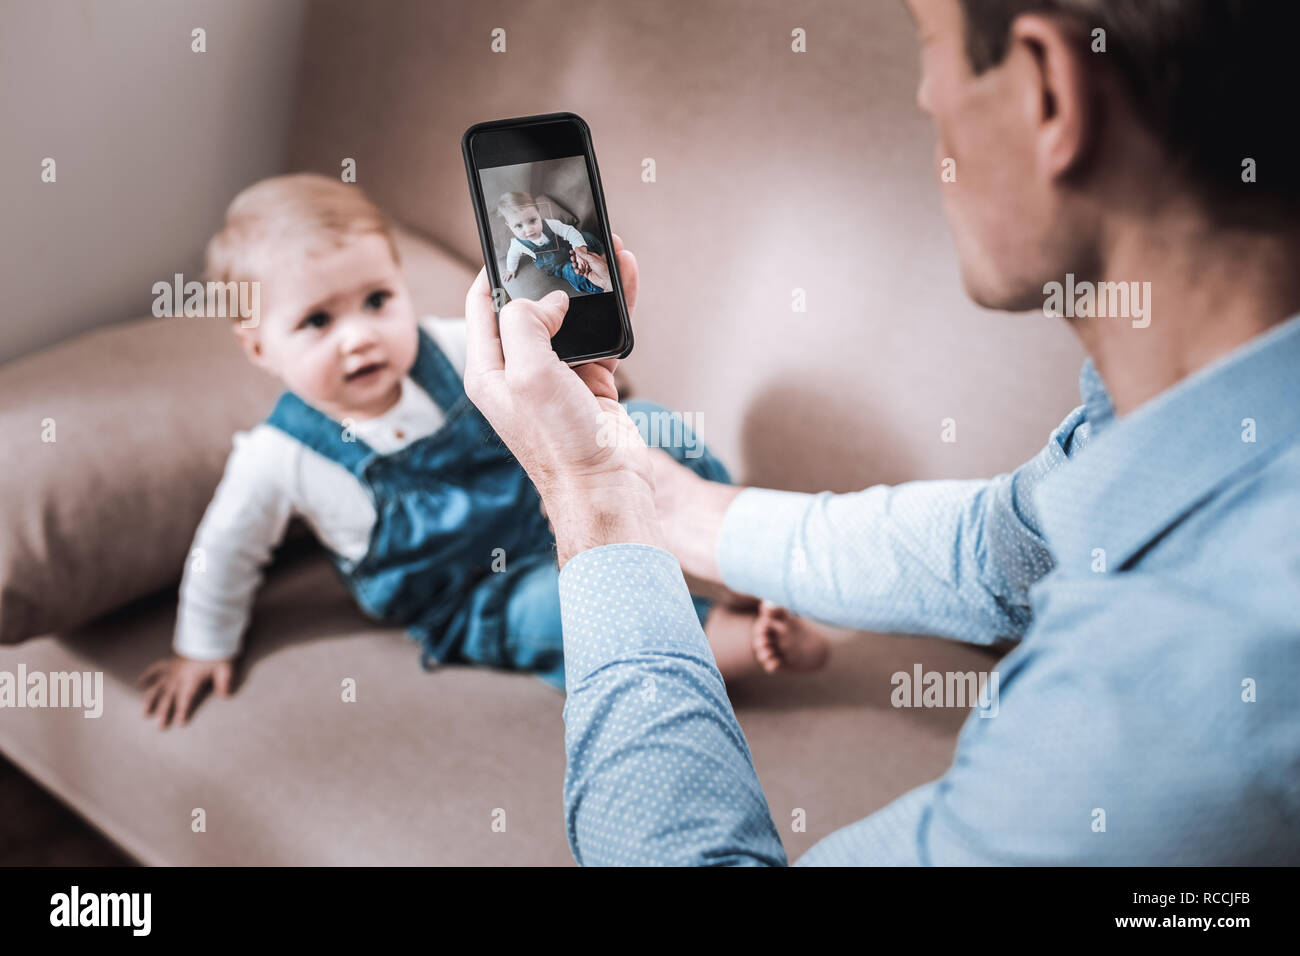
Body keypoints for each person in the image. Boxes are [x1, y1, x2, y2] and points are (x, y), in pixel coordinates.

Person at [462, 0, 1300, 864]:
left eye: (928, 48)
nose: (926, 99)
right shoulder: (1200, 416)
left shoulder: (1186, 685)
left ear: (1048, 90)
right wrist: (660, 501)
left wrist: (591, 502)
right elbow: (1001, 548)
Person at [138, 174, 822, 730]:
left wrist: (573, 304)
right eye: (317, 321)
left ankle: (747, 569)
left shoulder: (455, 346)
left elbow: (541, 365)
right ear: (258, 346)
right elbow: (224, 549)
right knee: (563, 614)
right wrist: (201, 646)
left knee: (647, 424)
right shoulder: (275, 458)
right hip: (476, 591)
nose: (359, 337)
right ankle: (757, 644)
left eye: (376, 301)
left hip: (549, 497)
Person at [499, 191, 609, 294]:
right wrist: (510, 269)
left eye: (532, 221)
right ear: (509, 226)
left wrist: (579, 250)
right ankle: (601, 288)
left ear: (538, 213)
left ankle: (603, 254)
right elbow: (512, 257)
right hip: (559, 265)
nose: (528, 230)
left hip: (569, 248)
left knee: (586, 236)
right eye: (519, 226)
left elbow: (570, 231)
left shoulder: (551, 224)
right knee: (574, 274)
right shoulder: (517, 244)